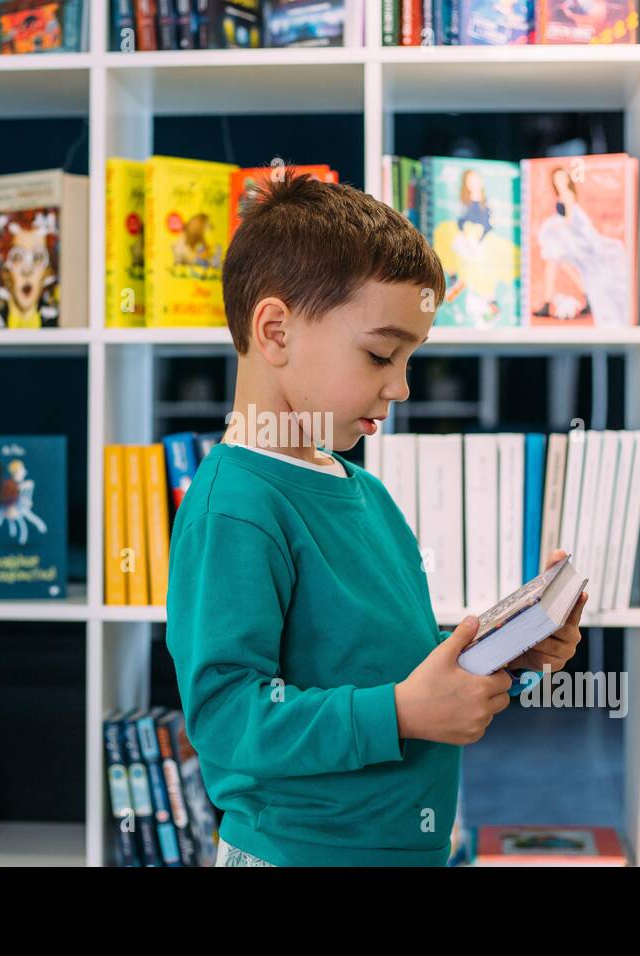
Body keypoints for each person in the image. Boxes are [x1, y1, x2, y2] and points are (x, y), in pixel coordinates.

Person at [165, 175, 587, 867]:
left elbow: (392, 666)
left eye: (411, 358)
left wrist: (510, 655)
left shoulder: (364, 491)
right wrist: (399, 713)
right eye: (380, 355)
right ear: (275, 331)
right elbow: (226, 718)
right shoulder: (234, 508)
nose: (402, 385)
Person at [532, 166, 630, 325]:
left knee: (558, 261)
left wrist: (557, 227)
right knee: (562, 264)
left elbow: (570, 220)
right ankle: (564, 299)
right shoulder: (560, 197)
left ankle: (549, 302)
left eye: (562, 178)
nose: (560, 182)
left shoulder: (568, 196)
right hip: (567, 235)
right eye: (557, 179)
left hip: (576, 235)